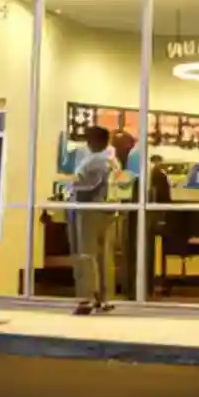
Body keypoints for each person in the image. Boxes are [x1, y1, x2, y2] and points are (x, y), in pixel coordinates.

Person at [68, 126, 120, 315]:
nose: (87, 143)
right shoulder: (113, 160)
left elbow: (88, 185)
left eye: (89, 139)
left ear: (96, 141)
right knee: (104, 256)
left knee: (87, 255)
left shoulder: (96, 161)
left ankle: (87, 298)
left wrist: (70, 185)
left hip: (91, 210)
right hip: (108, 211)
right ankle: (105, 298)